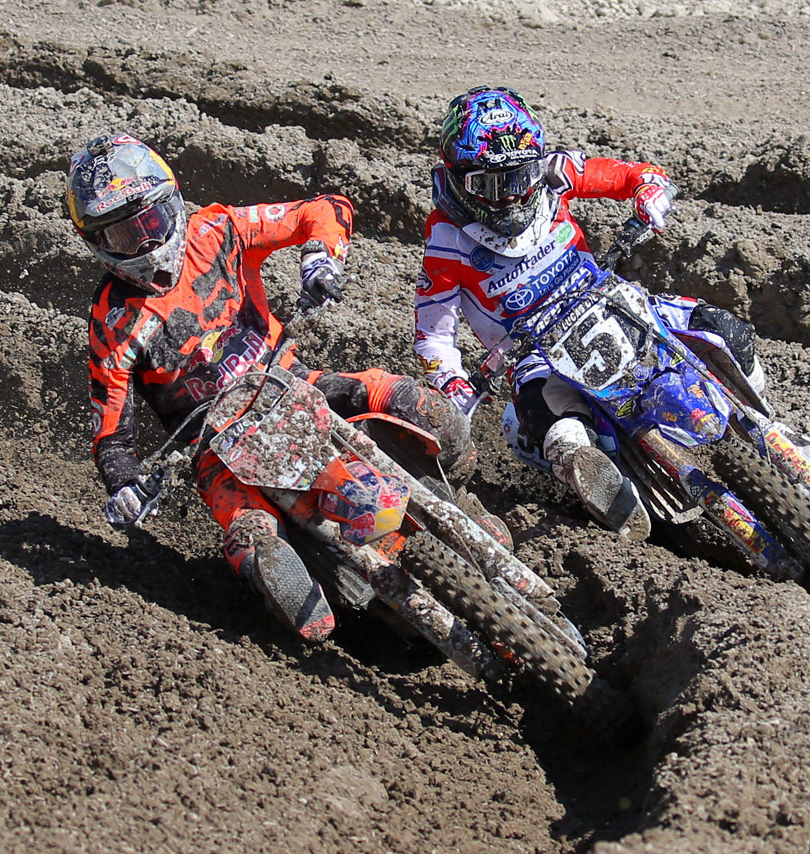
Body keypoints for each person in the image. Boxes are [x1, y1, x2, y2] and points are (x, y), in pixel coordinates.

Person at [71, 133, 473, 643]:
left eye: (148, 224)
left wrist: (321, 257)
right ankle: (325, 622)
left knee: (417, 405)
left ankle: (461, 498)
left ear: (170, 203)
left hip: (292, 381)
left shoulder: (216, 231)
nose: (145, 245)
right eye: (123, 238)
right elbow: (111, 434)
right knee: (261, 549)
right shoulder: (112, 320)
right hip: (213, 449)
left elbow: (325, 208)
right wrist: (126, 486)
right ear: (98, 245)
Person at [413, 86, 774, 539]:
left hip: (609, 300)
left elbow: (629, 175)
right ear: (458, 176)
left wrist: (648, 190)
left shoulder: (557, 172)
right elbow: (433, 337)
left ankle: (767, 427)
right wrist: (454, 382)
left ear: (536, 163)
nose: (509, 196)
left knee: (724, 330)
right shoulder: (446, 240)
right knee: (558, 427)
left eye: (520, 178)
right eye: (489, 185)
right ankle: (606, 491)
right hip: (534, 351)